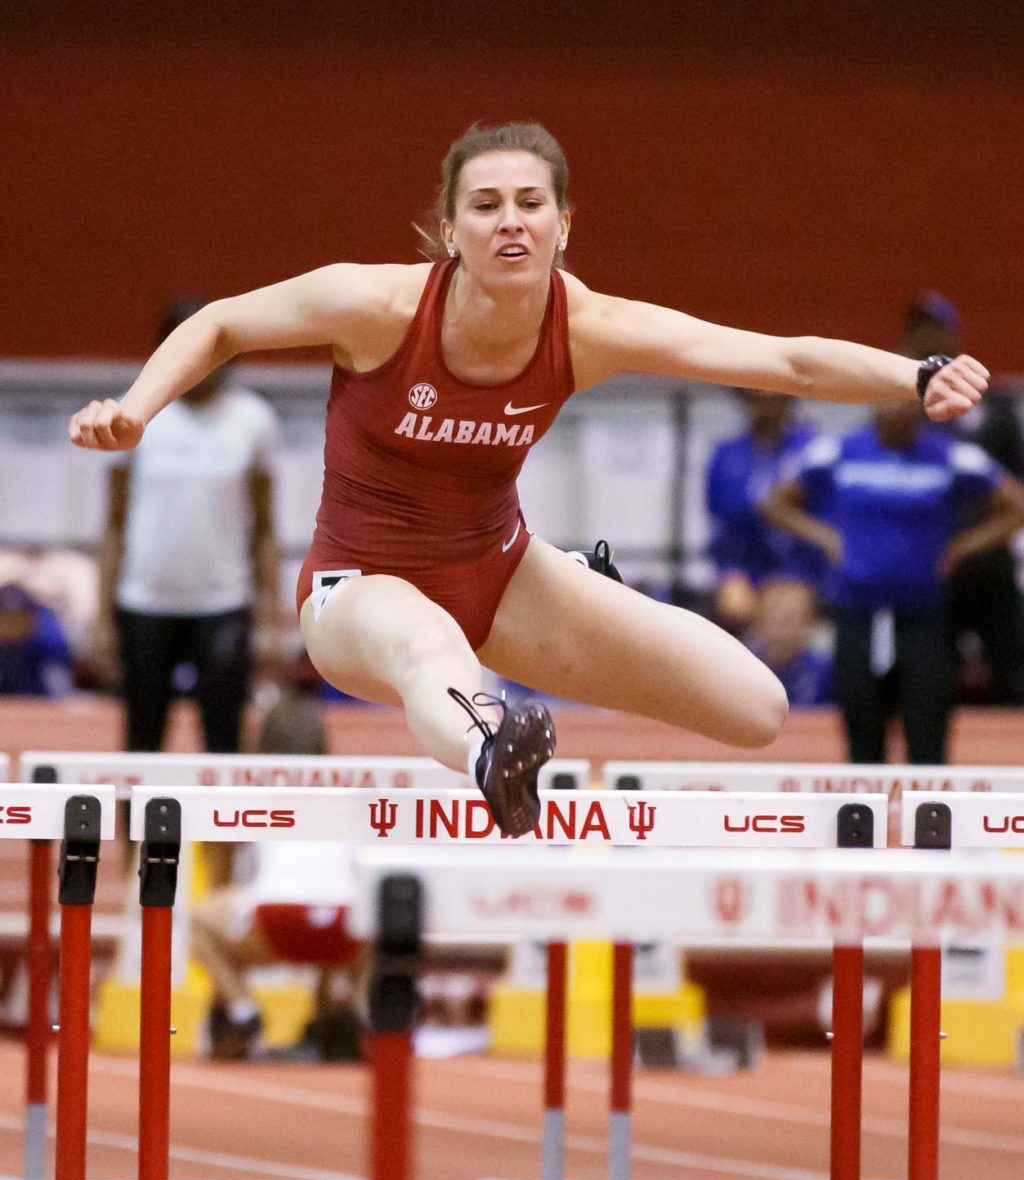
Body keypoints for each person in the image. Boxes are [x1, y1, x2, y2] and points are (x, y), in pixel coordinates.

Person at [70, 122, 989, 831]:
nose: (509, 220)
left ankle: (568, 601)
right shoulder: (380, 307)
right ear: (447, 230)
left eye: (529, 203)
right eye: (485, 205)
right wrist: (137, 407)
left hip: (502, 573)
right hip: (359, 591)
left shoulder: (585, 328)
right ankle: (494, 756)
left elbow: (781, 363)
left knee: (757, 708)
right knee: (435, 652)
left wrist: (913, 375)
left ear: (562, 227)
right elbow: (224, 322)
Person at [764, 399, 1024, 762]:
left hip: (923, 613)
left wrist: (963, 546)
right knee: (861, 722)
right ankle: (865, 807)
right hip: (858, 608)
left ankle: (928, 806)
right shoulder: (839, 451)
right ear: (875, 406)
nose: (897, 411)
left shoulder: (950, 456)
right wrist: (827, 537)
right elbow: (775, 501)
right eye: (889, 400)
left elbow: (1015, 503)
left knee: (928, 724)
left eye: (906, 404)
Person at [94, 299, 283, 753]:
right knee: (142, 736)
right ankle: (138, 826)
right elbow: (114, 525)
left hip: (222, 602)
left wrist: (272, 619)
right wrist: (102, 618)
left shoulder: (253, 421)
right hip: (145, 601)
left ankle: (223, 827)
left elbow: (264, 530)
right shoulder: (131, 414)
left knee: (224, 739)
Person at [190, 692, 364, 1061]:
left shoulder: (248, 790)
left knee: (200, 921)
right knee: (367, 915)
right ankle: (343, 1010)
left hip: (276, 925)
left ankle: (240, 1012)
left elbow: (218, 874)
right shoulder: (351, 790)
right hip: (343, 930)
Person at [904, 291, 1024, 704]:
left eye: (934, 328)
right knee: (928, 681)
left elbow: (1015, 493)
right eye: (917, 330)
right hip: (927, 570)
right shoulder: (898, 406)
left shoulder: (993, 409)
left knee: (1012, 672)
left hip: (986, 563)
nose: (926, 338)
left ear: (952, 334)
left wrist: (971, 543)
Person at [705, 391, 823, 631]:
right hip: (742, 561)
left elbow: (822, 508)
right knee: (734, 607)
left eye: (775, 398)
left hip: (795, 565)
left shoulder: (809, 448)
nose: (766, 406)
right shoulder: (727, 452)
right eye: (758, 397)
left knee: (784, 618)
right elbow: (719, 512)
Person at [744, 577, 832, 708]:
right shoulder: (742, 669)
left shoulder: (826, 673)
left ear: (809, 623)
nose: (782, 631)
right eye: (775, 619)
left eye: (791, 620)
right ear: (758, 621)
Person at [0, 582, 74, 697]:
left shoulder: (45, 618)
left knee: (54, 668)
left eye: (18, 616)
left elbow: (57, 650)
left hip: (40, 688)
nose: (13, 621)